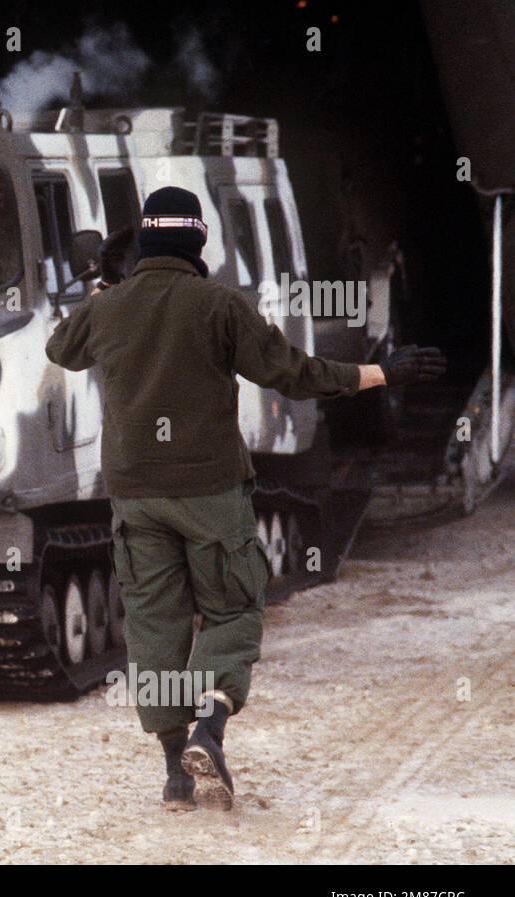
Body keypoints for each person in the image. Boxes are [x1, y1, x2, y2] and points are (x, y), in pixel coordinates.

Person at [45, 186, 446, 811]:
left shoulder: (107, 309)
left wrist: (101, 292)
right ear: (199, 240)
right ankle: (211, 721)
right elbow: (296, 374)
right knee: (233, 609)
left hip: (135, 494)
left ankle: (176, 774)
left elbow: (60, 349)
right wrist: (382, 372)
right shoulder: (219, 305)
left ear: (144, 240)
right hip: (209, 490)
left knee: (154, 628)